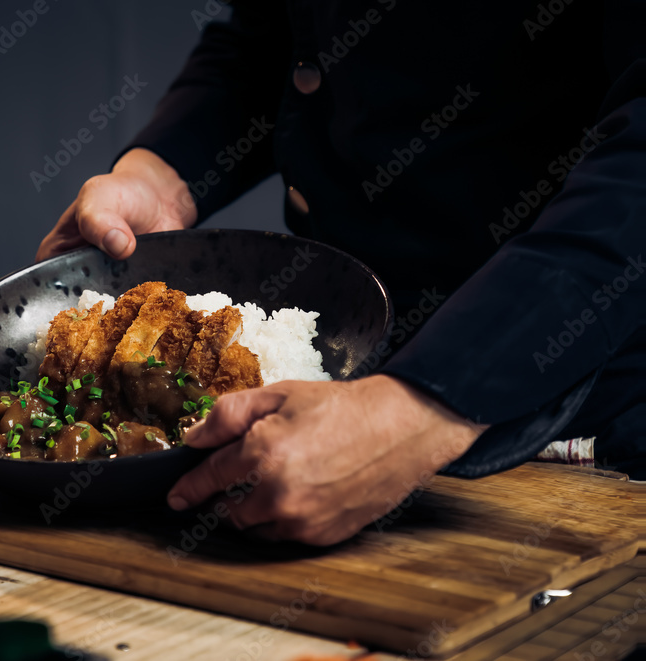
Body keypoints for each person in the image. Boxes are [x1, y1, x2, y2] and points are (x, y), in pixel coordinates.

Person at [37, 1, 646, 545]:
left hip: (571, 428)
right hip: (312, 433)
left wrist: (417, 410)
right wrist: (161, 175)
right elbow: (277, 35)